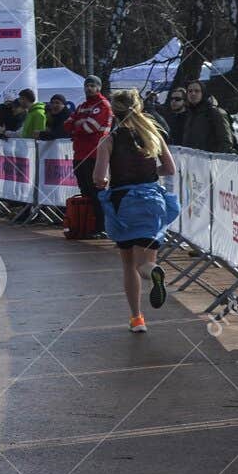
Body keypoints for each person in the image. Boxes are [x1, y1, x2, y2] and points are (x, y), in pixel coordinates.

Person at [93, 89, 180, 332]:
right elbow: (169, 169)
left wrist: (107, 181)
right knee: (146, 260)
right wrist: (149, 175)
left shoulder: (108, 140)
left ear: (114, 111)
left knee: (130, 263)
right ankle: (154, 272)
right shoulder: (152, 134)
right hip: (154, 200)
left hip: (125, 203)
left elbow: (99, 178)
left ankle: (137, 318)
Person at [68, 75, 113, 200]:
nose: (89, 88)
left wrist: (77, 124)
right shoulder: (82, 106)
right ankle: (89, 219)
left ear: (98, 88)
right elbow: (67, 125)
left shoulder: (103, 105)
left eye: (92, 86)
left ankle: (101, 220)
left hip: (94, 154)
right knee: (85, 191)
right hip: (79, 154)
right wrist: (79, 124)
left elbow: (89, 128)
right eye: (87, 86)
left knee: (96, 192)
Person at [179, 80, 235, 153]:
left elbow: (226, 142)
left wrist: (214, 161)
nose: (193, 94)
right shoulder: (189, 114)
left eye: (197, 91)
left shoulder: (214, 112)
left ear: (203, 93)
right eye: (190, 91)